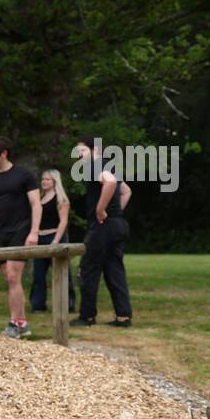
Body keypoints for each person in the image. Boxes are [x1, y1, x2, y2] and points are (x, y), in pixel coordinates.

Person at [0, 136, 40, 339]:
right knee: (9, 278)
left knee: (13, 276)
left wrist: (34, 232)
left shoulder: (24, 175)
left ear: (3, 153)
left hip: (20, 230)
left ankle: (14, 323)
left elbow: (36, 204)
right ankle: (22, 322)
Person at [74, 136, 133, 327]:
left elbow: (110, 184)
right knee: (114, 271)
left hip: (102, 227)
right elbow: (126, 191)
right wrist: (116, 213)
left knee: (88, 269)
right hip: (117, 225)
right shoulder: (108, 165)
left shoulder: (95, 166)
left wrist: (100, 209)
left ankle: (87, 316)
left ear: (94, 150)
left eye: (81, 151)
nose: (78, 156)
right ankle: (123, 317)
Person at [29, 168, 76, 314]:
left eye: (48, 179)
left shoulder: (60, 199)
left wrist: (56, 240)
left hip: (55, 236)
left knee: (62, 272)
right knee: (38, 274)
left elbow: (63, 221)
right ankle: (38, 305)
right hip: (40, 238)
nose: (44, 181)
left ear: (55, 181)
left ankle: (68, 304)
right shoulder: (39, 199)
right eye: (43, 179)